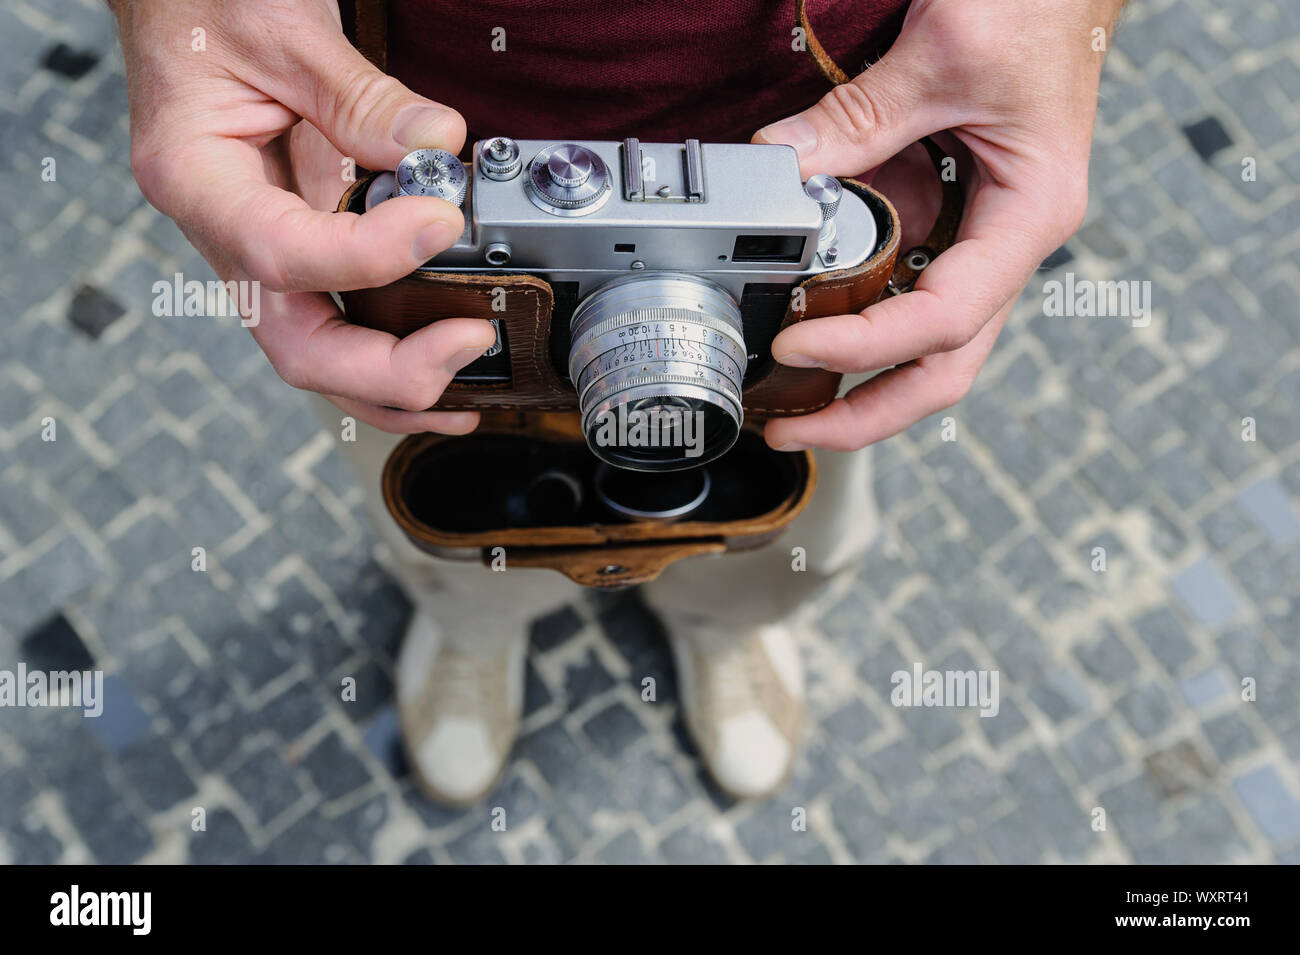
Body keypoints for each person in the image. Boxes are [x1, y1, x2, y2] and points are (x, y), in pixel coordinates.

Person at [110, 0, 1119, 804]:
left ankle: (725, 615)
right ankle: (475, 612)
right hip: (407, 190)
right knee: (434, 474)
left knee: (791, 499)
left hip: (858, 156)